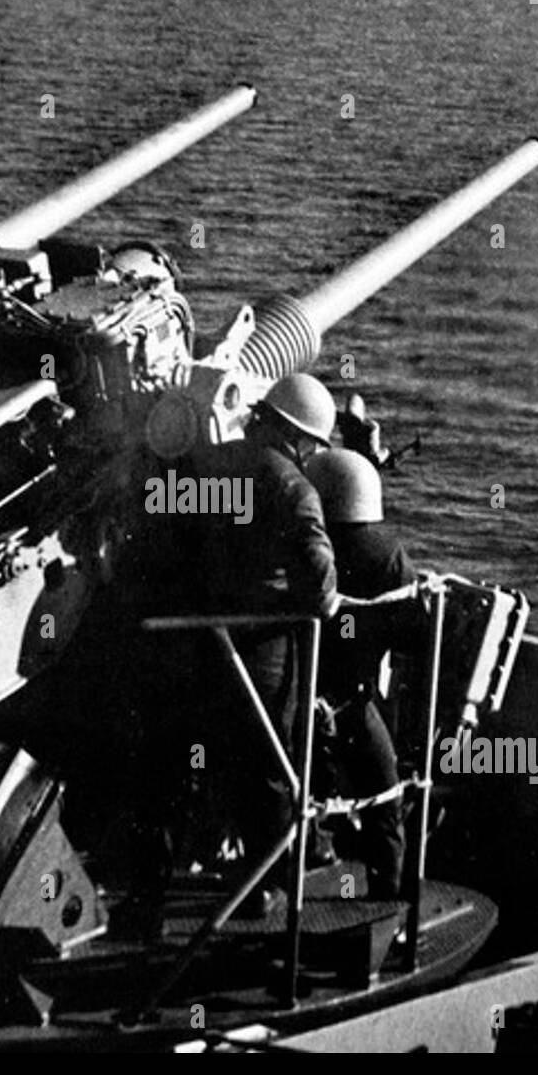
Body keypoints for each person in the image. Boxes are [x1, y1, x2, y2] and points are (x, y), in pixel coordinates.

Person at [185, 372, 341, 918]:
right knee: (273, 762)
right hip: (264, 643)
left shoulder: (207, 464)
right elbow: (322, 590)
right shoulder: (293, 487)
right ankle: (268, 885)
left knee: (216, 752)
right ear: (300, 440)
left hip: (199, 638)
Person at [303, 446, 416, 899]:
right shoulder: (388, 555)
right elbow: (412, 632)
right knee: (384, 799)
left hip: (298, 700)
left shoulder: (307, 547)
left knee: (306, 795)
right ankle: (387, 893)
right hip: (353, 702)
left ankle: (308, 865)